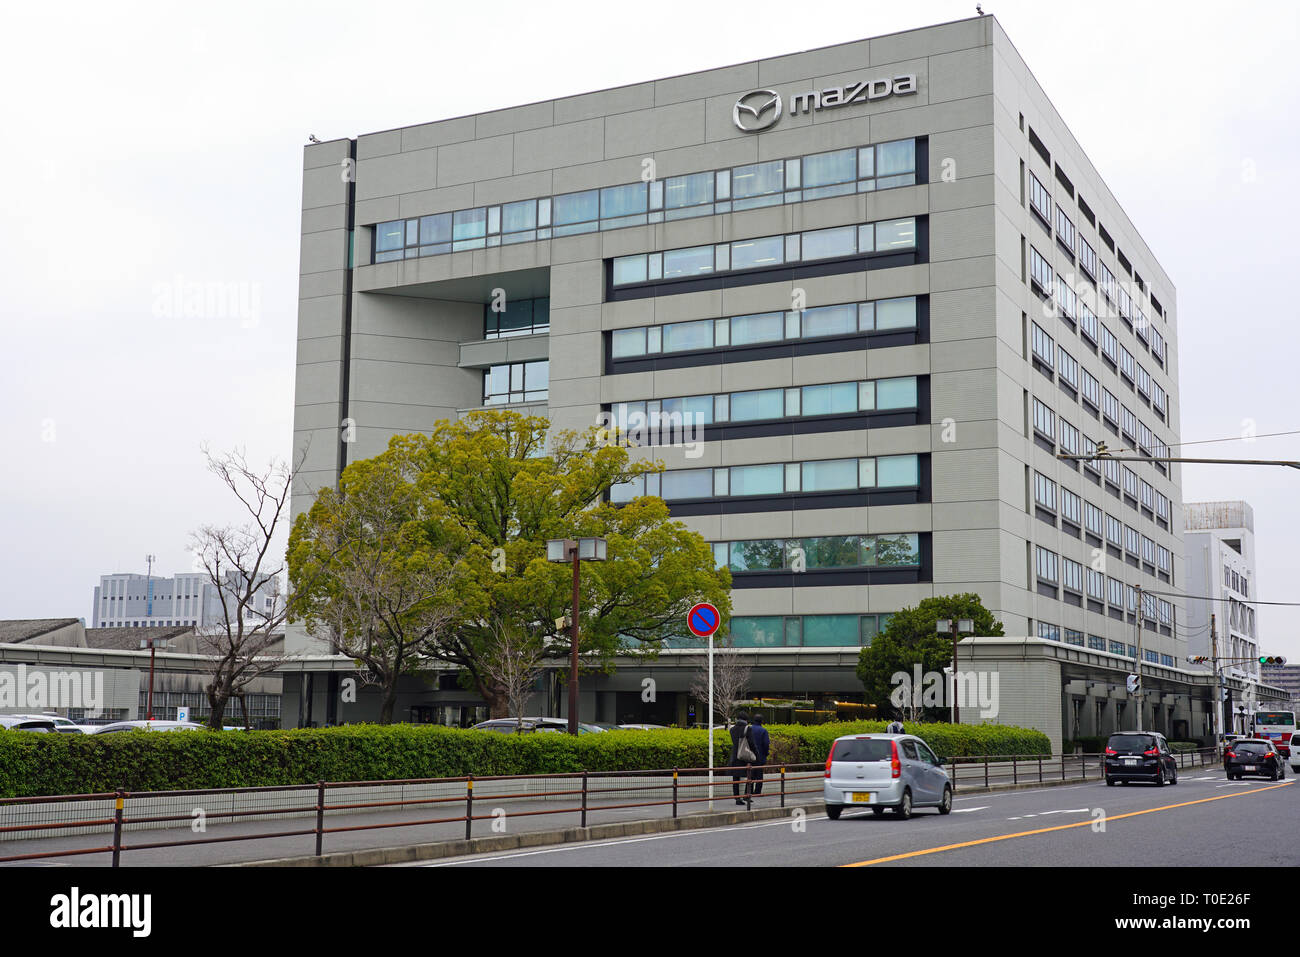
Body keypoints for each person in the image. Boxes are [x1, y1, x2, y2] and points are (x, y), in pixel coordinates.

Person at [729, 713, 757, 805]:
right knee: (750, 775)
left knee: (736, 778)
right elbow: (752, 743)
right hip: (745, 755)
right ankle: (747, 795)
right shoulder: (747, 728)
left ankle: (737, 798)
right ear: (746, 719)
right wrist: (756, 754)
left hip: (735, 755)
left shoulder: (732, 729)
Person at [749, 714, 770, 796]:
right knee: (759, 775)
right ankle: (757, 792)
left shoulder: (749, 729)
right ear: (762, 721)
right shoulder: (763, 731)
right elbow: (766, 744)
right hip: (760, 756)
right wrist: (766, 753)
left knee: (750, 774)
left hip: (749, 756)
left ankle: (749, 791)